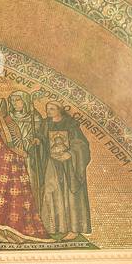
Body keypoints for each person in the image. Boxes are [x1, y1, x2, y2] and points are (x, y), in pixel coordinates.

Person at [0, 99, 48, 237]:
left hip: (8, 173)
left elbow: (14, 149)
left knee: (9, 202)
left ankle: (9, 234)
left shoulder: (7, 127)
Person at [38, 101, 91, 238]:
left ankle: (74, 229)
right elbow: (42, 139)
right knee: (51, 190)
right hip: (52, 163)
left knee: (70, 194)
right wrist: (38, 141)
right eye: (47, 109)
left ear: (60, 110)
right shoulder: (45, 124)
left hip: (69, 166)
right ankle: (54, 226)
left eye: (51, 109)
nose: (48, 111)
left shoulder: (71, 124)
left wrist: (71, 153)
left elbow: (82, 144)